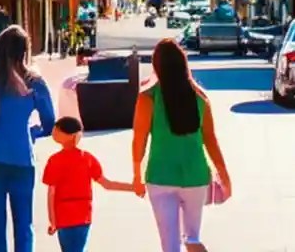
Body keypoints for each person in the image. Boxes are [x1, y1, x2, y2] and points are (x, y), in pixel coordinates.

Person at [132, 39, 232, 252]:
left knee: (170, 245)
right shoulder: (200, 98)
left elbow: (139, 140)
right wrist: (224, 176)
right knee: (192, 237)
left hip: (160, 177)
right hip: (196, 176)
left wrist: (136, 176)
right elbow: (210, 140)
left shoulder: (147, 98)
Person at [0, 25, 55, 252]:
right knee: (24, 227)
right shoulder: (35, 82)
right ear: (25, 51)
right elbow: (50, 122)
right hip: (22, 159)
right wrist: (31, 132)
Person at [43, 116, 133, 252]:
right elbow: (107, 184)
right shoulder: (87, 159)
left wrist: (53, 220)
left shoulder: (55, 161)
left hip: (64, 216)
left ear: (70, 136)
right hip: (82, 215)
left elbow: (51, 193)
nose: (54, 132)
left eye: (58, 130)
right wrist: (132, 187)